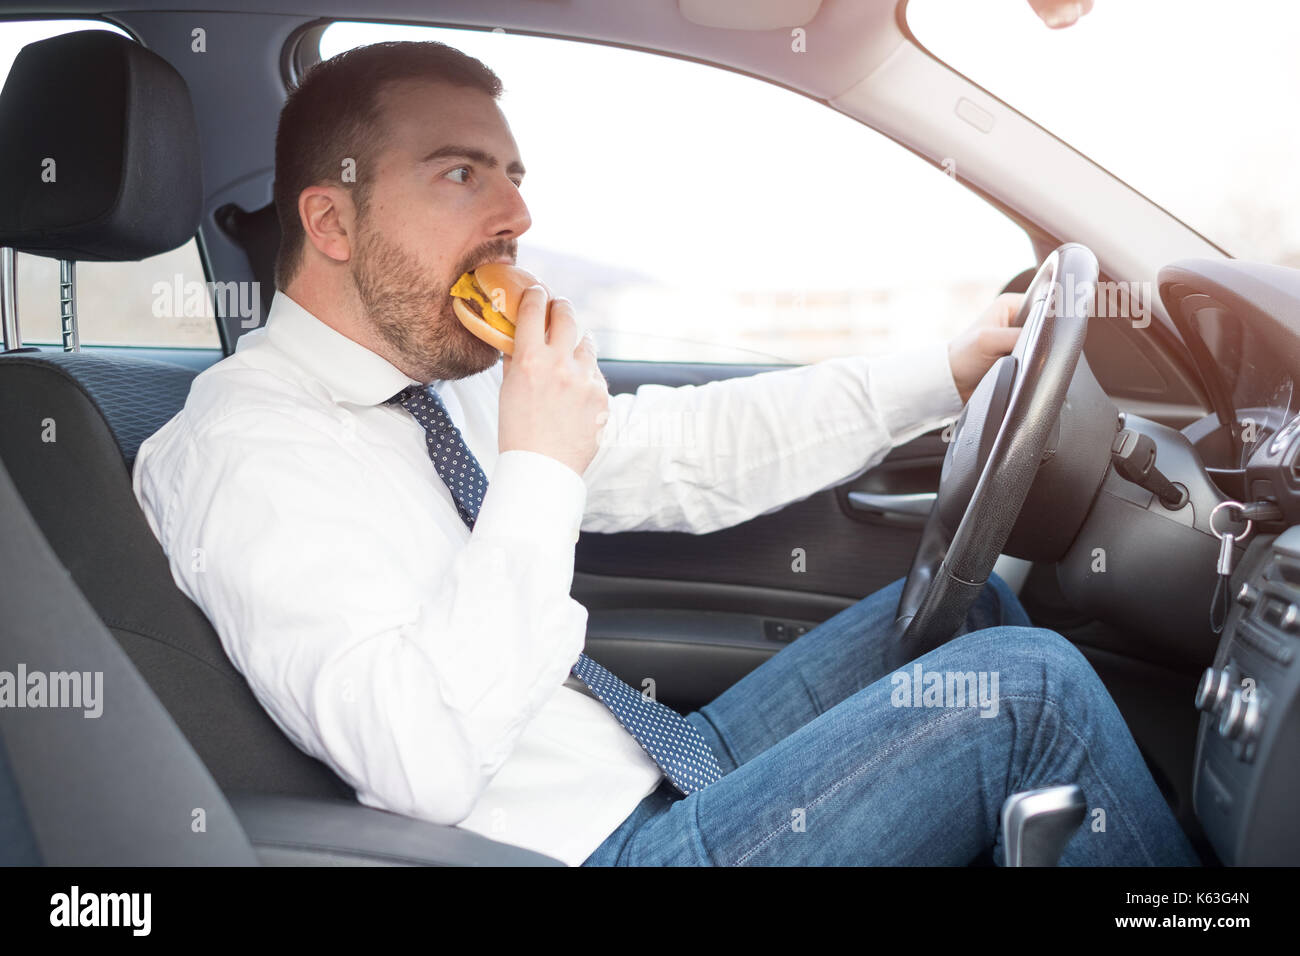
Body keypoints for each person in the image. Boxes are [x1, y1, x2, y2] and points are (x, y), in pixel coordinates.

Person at [133, 35, 1195, 867]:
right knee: (1029, 689)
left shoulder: (431, 390)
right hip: (587, 848)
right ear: (331, 221)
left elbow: (683, 450)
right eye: (461, 174)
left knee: (973, 618)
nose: (516, 213)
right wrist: (540, 465)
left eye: (510, 173)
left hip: (643, 764)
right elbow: (422, 762)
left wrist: (943, 372)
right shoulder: (242, 454)